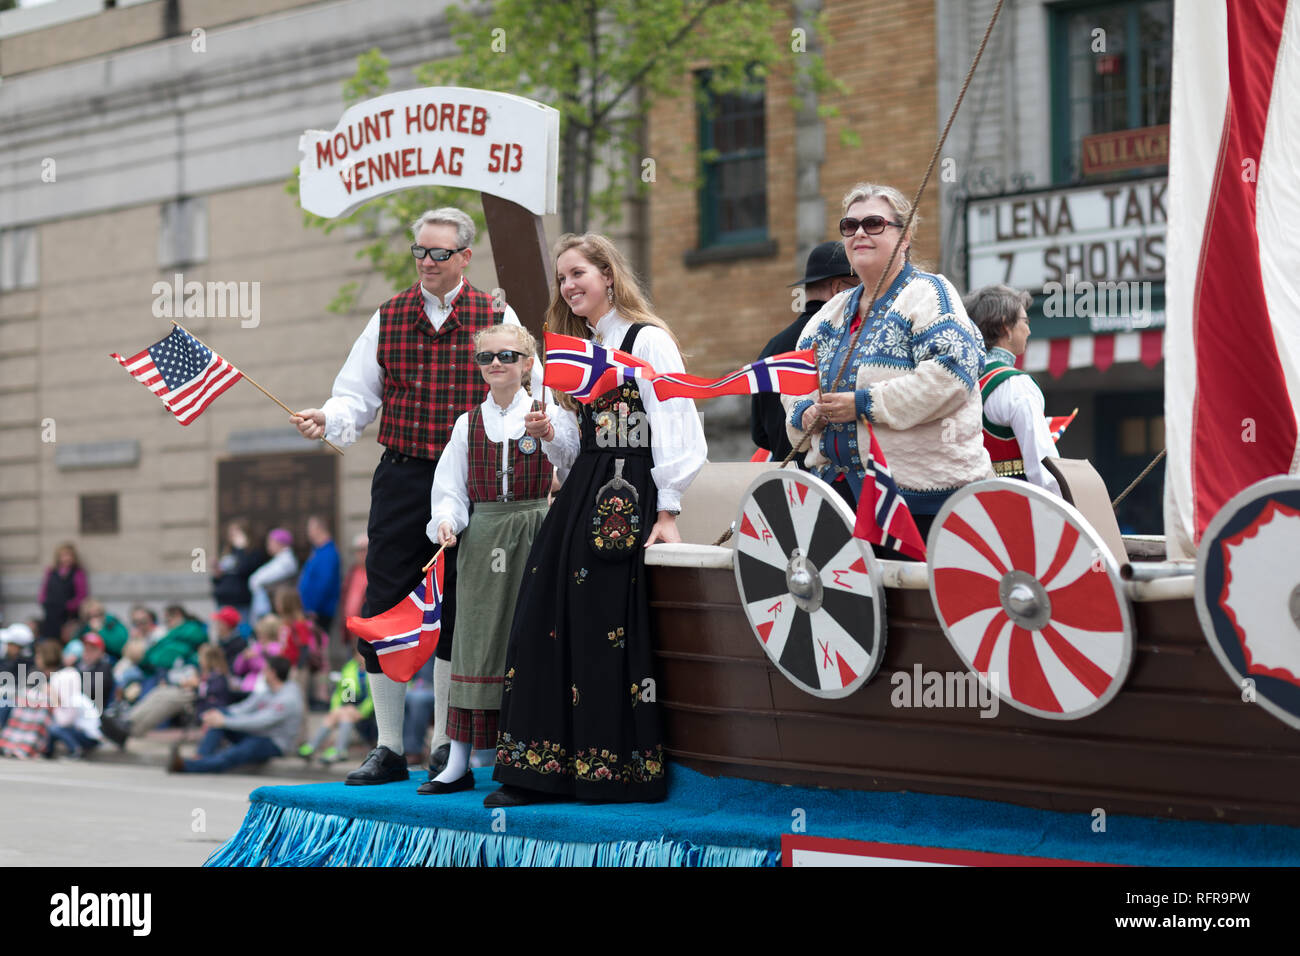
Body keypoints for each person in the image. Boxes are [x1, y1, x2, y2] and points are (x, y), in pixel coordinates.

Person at [290, 207, 524, 788]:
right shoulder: (389, 316)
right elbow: (355, 396)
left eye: (439, 253)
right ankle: (390, 746)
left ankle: (447, 744)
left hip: (473, 478)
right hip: (401, 477)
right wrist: (329, 418)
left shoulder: (495, 314)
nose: (426, 262)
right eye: (419, 251)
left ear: (465, 257)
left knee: (460, 608)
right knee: (384, 602)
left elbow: (527, 388)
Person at [486, 233, 707, 807]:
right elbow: (574, 442)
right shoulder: (577, 348)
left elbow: (675, 419)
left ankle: (611, 772)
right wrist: (548, 432)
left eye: (578, 272)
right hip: (586, 483)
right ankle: (541, 770)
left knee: (605, 624)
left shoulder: (648, 339)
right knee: (545, 614)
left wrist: (668, 507)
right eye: (562, 278)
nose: (569, 285)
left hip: (628, 492)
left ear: (608, 274)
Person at [782, 182, 993, 550]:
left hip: (924, 507)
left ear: (905, 235)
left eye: (874, 223)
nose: (860, 233)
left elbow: (951, 375)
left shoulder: (930, 294)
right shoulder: (828, 316)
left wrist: (863, 405)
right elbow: (793, 386)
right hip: (839, 501)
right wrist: (806, 413)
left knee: (914, 606)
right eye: (850, 226)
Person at [421, 324, 557, 794]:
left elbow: (573, 459)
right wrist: (446, 522)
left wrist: (552, 435)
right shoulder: (466, 424)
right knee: (475, 639)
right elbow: (451, 490)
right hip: (482, 535)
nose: (495, 363)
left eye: (507, 355)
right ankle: (458, 760)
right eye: (486, 357)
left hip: (536, 529)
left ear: (526, 363)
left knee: (528, 639)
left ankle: (523, 761)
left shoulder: (546, 411)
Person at [752, 242, 859, 463]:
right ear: (838, 288)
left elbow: (759, 435)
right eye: (859, 287)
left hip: (784, 483)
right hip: (830, 483)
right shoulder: (846, 341)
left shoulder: (770, 349)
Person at [964, 284, 1062, 495]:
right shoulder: (1015, 385)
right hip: (1019, 510)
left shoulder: (960, 382)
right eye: (1024, 321)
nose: (1028, 329)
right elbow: (1043, 466)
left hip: (971, 509)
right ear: (1004, 328)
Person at [169, 655, 303, 774]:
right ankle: (201, 756)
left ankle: (186, 765)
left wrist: (225, 721)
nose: (263, 673)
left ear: (273, 673)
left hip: (273, 743)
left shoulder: (288, 699)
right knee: (221, 714)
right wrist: (219, 714)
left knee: (230, 755)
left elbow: (260, 721)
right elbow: (244, 708)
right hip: (257, 734)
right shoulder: (268, 690)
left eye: (265, 670)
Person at [299, 645, 375, 764]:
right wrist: (336, 709)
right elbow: (342, 693)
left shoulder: (375, 670)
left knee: (346, 714)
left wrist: (360, 711)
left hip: (372, 711)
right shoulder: (350, 669)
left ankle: (323, 747)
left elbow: (374, 698)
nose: (361, 656)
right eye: (359, 654)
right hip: (352, 708)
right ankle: (327, 748)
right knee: (339, 714)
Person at [0, 638, 62, 759]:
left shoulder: (60, 675)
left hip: (53, 717)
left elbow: (59, 703)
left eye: (39, 655)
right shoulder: (35, 672)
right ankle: (11, 742)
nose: (36, 658)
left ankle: (26, 745)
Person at [211, 519, 264, 624]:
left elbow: (243, 569)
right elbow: (217, 580)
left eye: (237, 533)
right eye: (231, 534)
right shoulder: (228, 553)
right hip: (223, 600)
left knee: (241, 632)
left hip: (240, 602)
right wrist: (216, 573)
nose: (233, 537)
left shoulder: (253, 553)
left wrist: (241, 548)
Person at [298, 516, 342, 633]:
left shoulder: (328, 553)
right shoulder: (318, 551)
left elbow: (324, 584)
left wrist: (313, 608)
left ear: (319, 529)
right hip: (313, 611)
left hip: (318, 613)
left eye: (310, 529)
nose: (308, 533)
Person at [248, 529, 298, 622]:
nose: (268, 545)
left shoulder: (287, 561)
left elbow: (259, 580)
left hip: (278, 606)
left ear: (280, 543)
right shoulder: (281, 558)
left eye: (271, 542)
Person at [38, 543, 87, 640]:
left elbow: (81, 595)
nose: (66, 558)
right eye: (63, 555)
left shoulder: (77, 573)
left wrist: (68, 606)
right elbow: (44, 590)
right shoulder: (51, 572)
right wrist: (45, 602)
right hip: (51, 615)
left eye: (69, 555)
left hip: (68, 616)